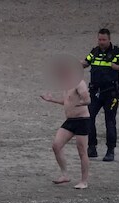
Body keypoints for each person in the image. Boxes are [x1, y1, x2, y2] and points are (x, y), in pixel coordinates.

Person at [39, 59, 92, 189]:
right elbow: (67, 101)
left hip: (82, 120)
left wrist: (84, 102)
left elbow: (87, 98)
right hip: (70, 121)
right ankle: (65, 175)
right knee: (56, 145)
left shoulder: (79, 83)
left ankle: (84, 181)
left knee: (82, 152)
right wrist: (52, 100)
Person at [81, 28, 119, 161]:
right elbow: (85, 63)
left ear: (109, 39)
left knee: (109, 121)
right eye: (99, 39)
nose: (101, 42)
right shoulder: (95, 51)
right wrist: (72, 64)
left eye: (104, 40)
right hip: (95, 92)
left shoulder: (117, 52)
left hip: (111, 93)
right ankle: (92, 147)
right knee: (89, 118)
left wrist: (117, 67)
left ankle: (110, 150)